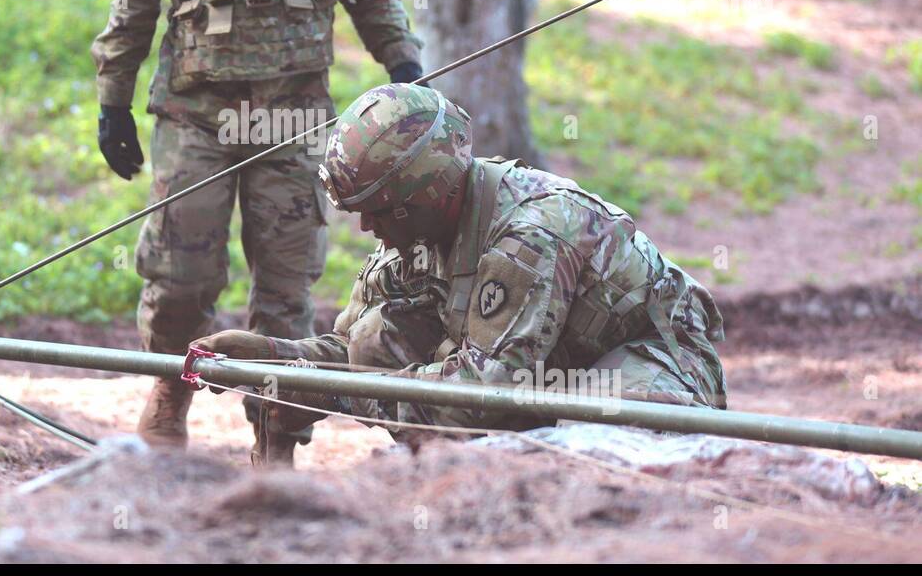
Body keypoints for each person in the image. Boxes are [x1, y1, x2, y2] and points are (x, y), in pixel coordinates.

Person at [91, 0, 424, 464]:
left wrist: (405, 67)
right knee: (180, 273)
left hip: (293, 118)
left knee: (286, 292)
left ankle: (274, 443)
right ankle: (169, 392)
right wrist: (114, 97)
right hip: (197, 112)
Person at [191, 83, 728, 451]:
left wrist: (328, 392)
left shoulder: (531, 233)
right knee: (380, 338)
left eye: (377, 212)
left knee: (601, 441)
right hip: (534, 364)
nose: (366, 230)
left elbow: (481, 397)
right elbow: (352, 351)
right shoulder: (417, 234)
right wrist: (277, 357)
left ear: (428, 194)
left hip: (645, 355)